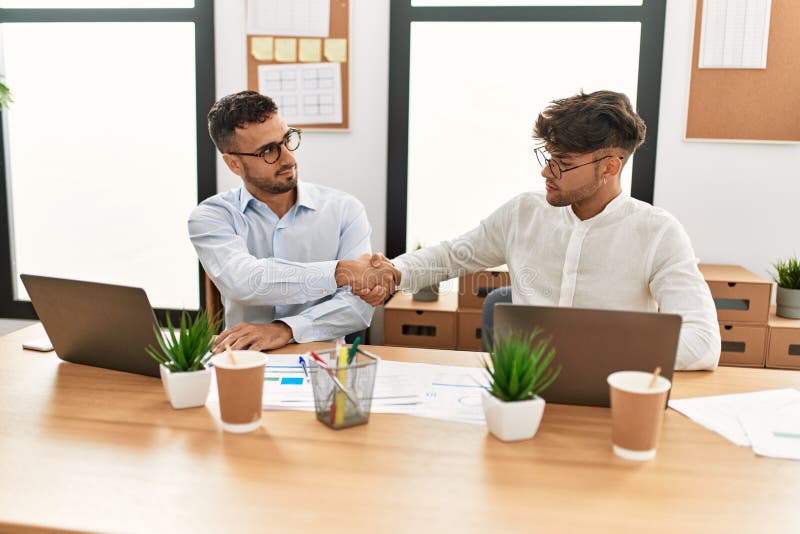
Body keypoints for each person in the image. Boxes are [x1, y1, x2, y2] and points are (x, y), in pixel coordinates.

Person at [360, 90, 721, 371]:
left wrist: (603, 354)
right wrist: (395, 272)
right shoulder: (525, 212)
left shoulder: (658, 233)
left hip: (609, 395)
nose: (547, 173)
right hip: (523, 394)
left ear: (609, 166)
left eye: (563, 164)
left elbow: (702, 343)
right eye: (548, 157)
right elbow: (454, 255)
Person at [189, 90, 395, 352]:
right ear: (234, 164)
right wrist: (341, 272)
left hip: (324, 362)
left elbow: (357, 308)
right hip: (244, 362)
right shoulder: (212, 217)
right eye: (268, 151)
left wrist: (287, 329)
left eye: (287, 140)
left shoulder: (345, 210)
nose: (288, 158)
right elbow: (243, 281)